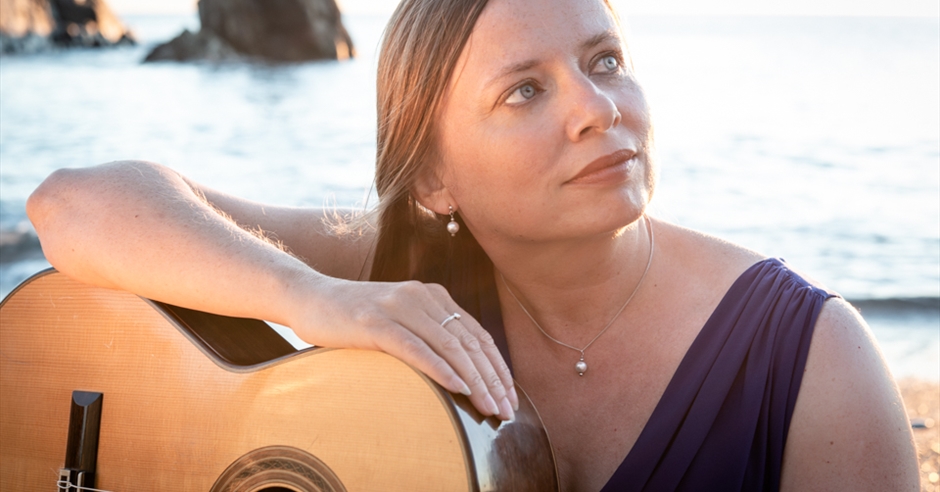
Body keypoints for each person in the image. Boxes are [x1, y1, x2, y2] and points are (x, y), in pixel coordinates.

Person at [26, 0, 919, 490]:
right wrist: (314, 298)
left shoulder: (813, 362)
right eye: (525, 90)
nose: (596, 109)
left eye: (605, 60)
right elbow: (72, 204)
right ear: (433, 180)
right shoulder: (400, 268)